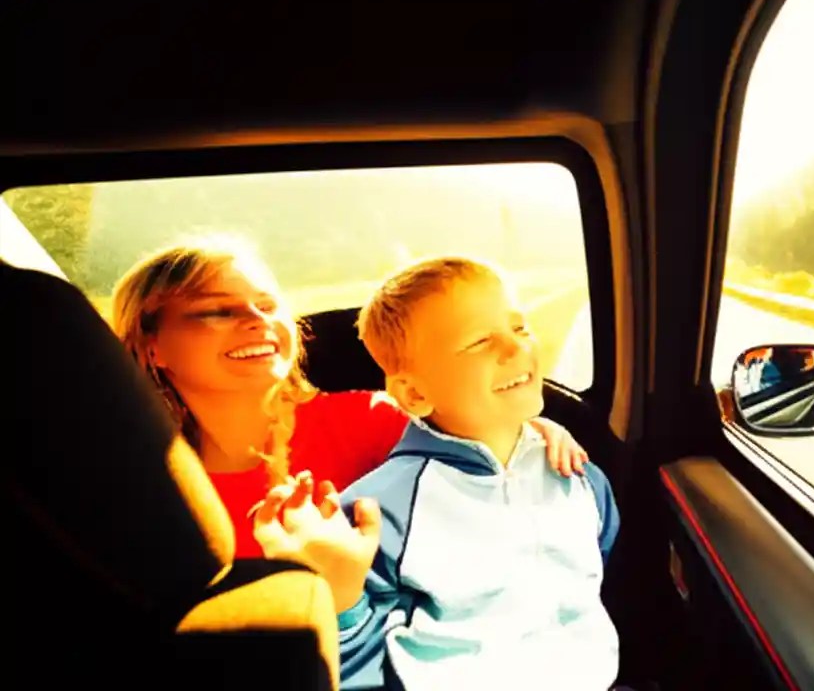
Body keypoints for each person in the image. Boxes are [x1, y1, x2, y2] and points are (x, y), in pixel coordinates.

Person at [254, 257, 620, 690]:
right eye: (480, 341)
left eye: (520, 328)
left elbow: (599, 575)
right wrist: (341, 600)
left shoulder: (579, 477)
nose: (515, 348)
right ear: (414, 392)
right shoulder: (380, 511)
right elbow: (349, 664)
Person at [110, 236, 590, 558]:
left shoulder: (371, 421)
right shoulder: (146, 483)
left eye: (268, 304)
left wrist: (534, 429)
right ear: (152, 346)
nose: (256, 319)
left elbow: (482, 449)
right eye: (215, 311)